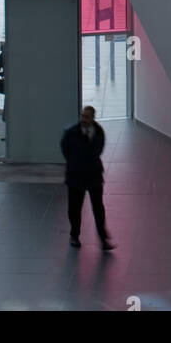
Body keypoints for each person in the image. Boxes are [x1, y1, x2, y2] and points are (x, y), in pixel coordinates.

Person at [60, 106, 114, 250]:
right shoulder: (71, 133)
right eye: (82, 116)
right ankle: (74, 235)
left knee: (98, 208)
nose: (83, 119)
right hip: (76, 176)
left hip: (93, 175)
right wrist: (75, 162)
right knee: (75, 208)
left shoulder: (98, 132)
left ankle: (103, 238)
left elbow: (99, 149)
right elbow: (65, 150)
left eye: (87, 117)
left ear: (93, 117)